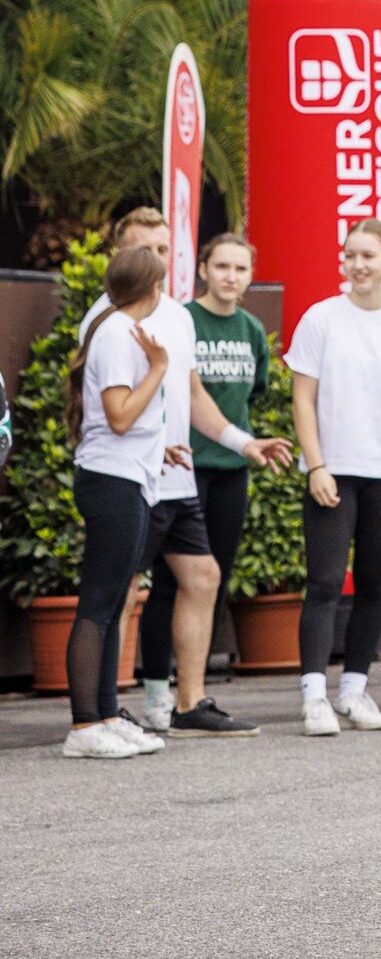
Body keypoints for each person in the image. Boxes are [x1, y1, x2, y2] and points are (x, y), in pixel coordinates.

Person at [80, 207, 291, 740]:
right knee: (117, 593)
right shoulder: (103, 320)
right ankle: (110, 710)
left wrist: (244, 443)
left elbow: (193, 396)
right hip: (125, 475)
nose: (156, 258)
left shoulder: (176, 316)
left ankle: (187, 703)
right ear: (120, 255)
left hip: (171, 476)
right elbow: (112, 413)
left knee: (203, 576)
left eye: (162, 248)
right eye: (144, 249)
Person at [287, 218, 381, 734]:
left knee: (374, 586)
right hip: (333, 474)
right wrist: (317, 465)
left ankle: (353, 690)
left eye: (367, 255)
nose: (358, 265)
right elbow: (302, 399)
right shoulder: (320, 319)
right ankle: (313, 696)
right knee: (325, 582)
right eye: (350, 255)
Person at [141, 231, 288, 735]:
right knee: (167, 582)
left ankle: (192, 691)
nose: (231, 277)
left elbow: (253, 394)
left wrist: (246, 444)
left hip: (232, 470)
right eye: (222, 266)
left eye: (241, 269)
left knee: (210, 579)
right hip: (183, 467)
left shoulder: (250, 329)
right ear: (203, 268)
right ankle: (155, 691)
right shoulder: (183, 319)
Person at [62, 244, 175, 758]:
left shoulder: (119, 330)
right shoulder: (114, 335)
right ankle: (85, 726)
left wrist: (161, 446)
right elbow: (120, 416)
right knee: (100, 603)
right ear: (153, 289)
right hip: (111, 481)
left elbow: (130, 422)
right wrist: (159, 366)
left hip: (127, 475)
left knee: (113, 602)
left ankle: (106, 713)